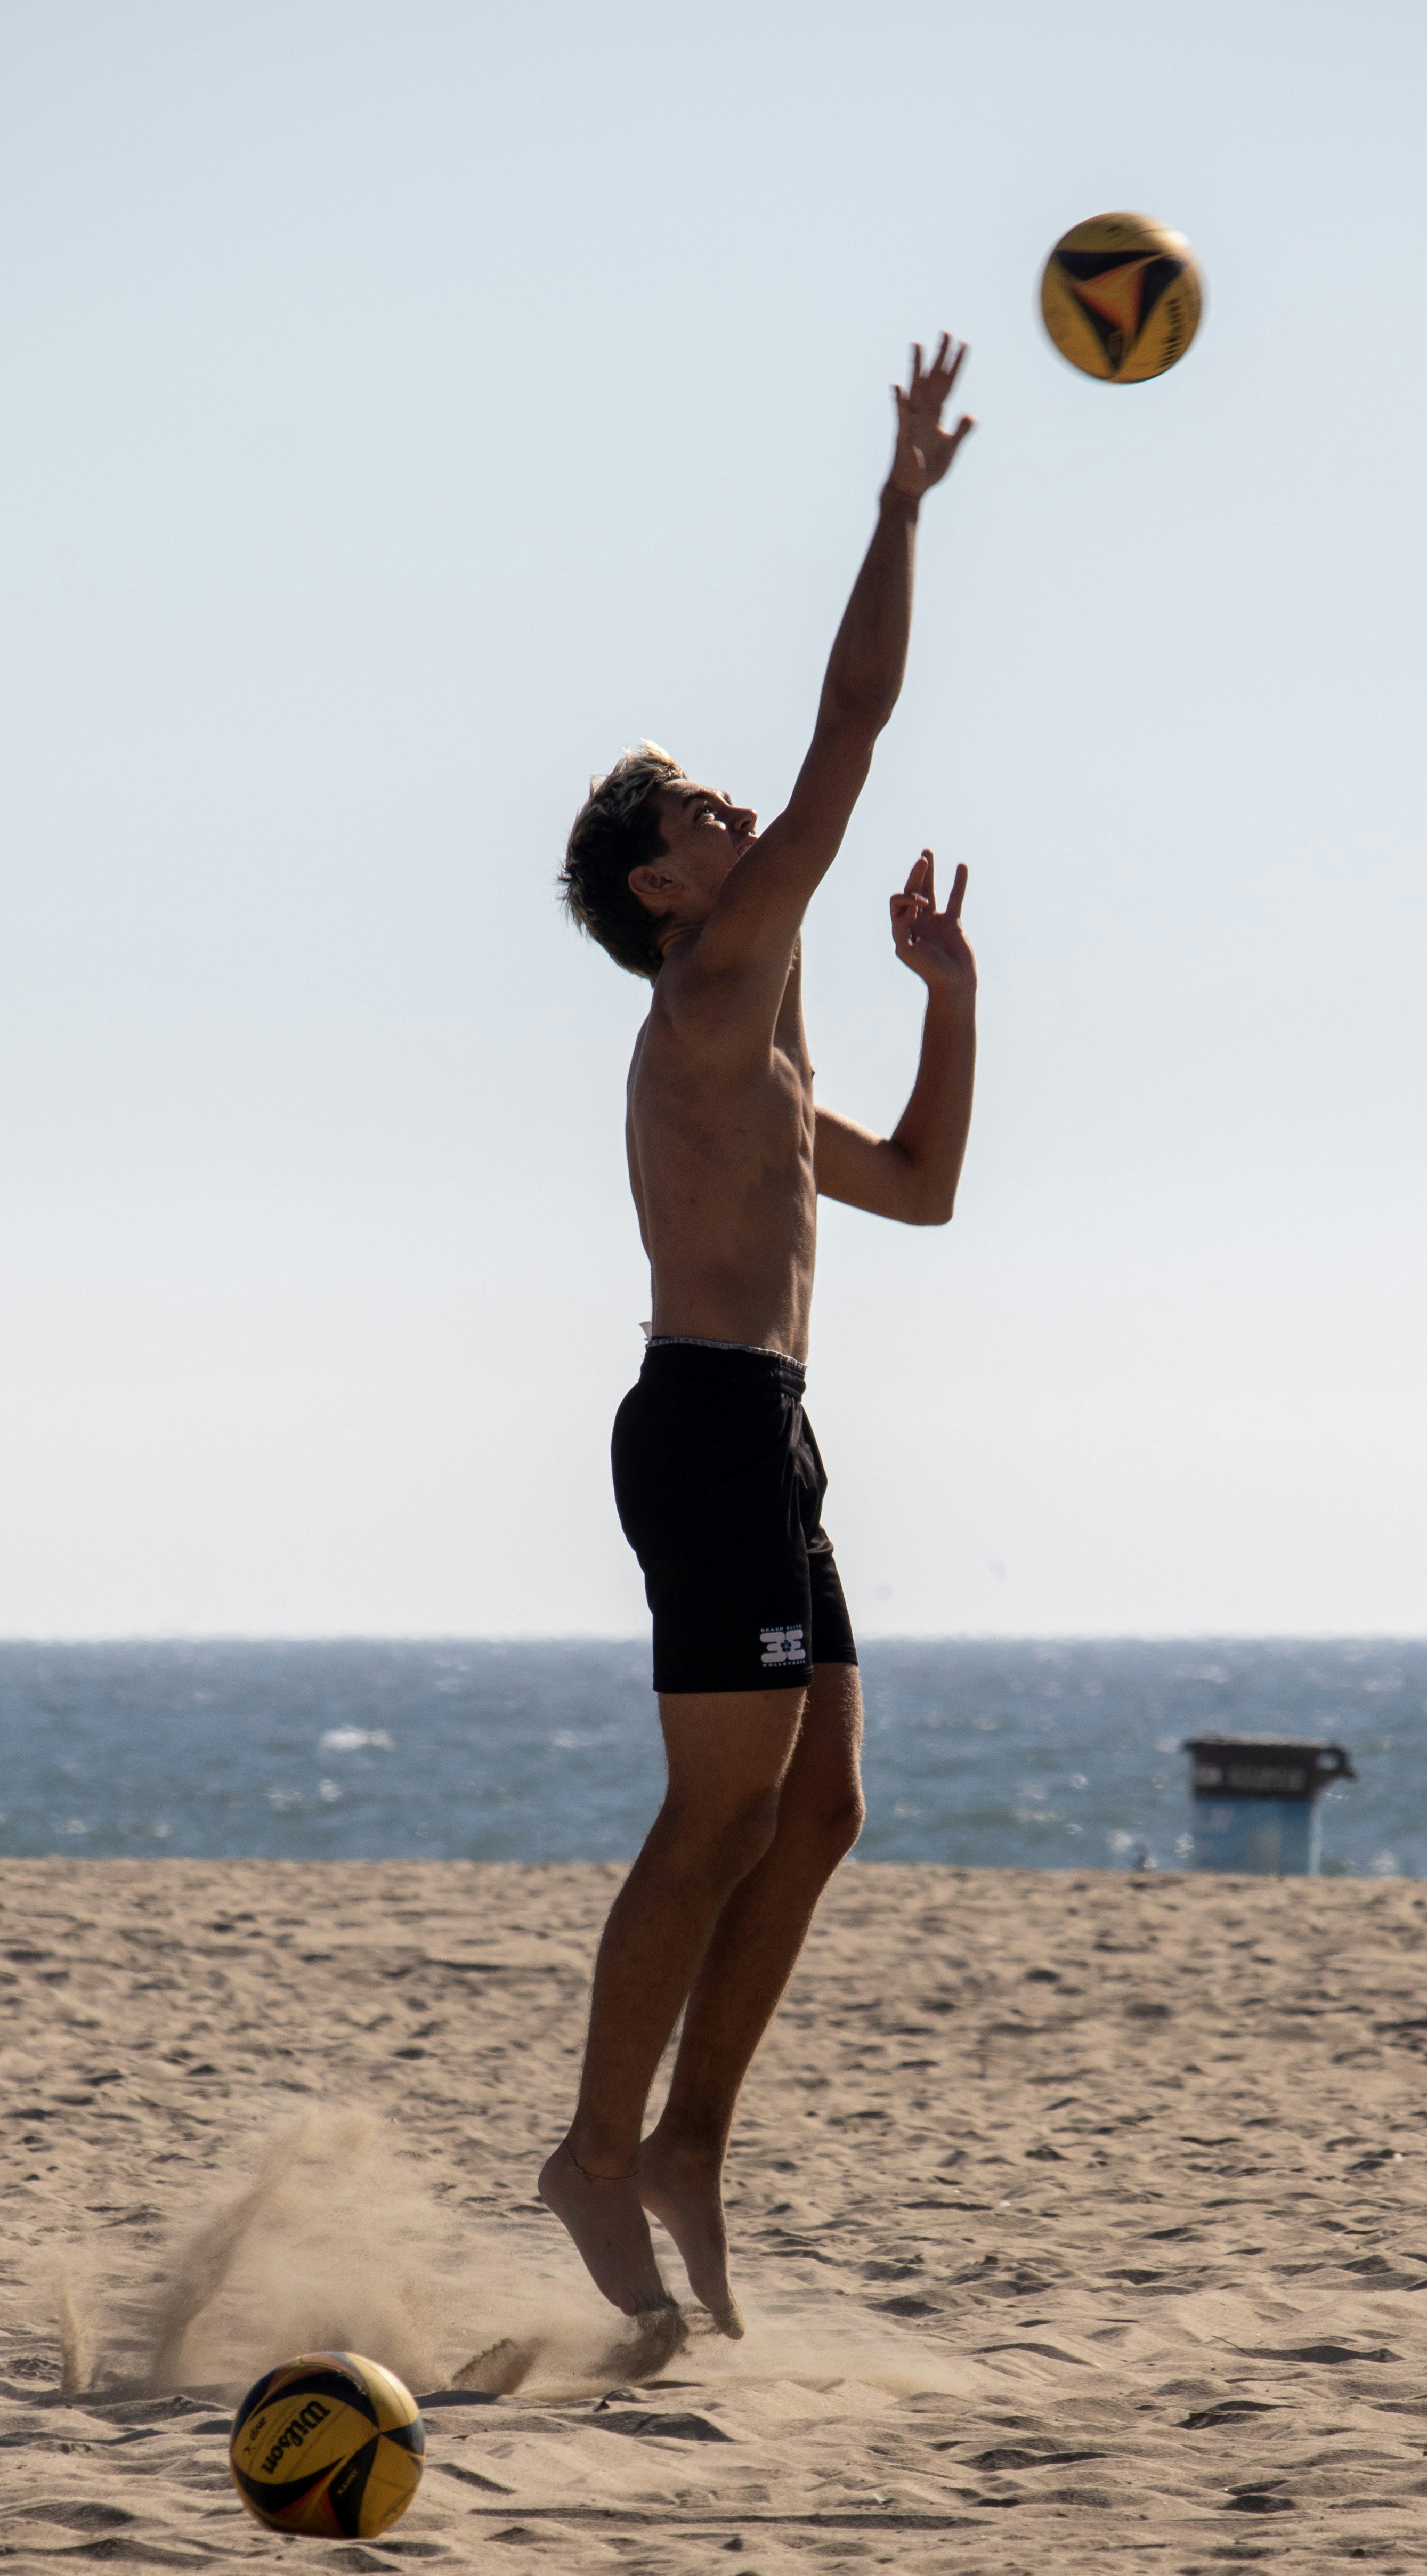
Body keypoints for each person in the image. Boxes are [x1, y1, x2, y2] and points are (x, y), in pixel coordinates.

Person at [544, 337, 978, 2347]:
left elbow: (918, 1185)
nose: (746, 819)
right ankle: (593, 2147)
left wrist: (948, 989)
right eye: (705, 817)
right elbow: (849, 738)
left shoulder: (767, 1034)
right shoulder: (705, 982)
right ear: (663, 886)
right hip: (705, 1430)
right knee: (719, 1809)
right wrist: (895, 509)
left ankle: (694, 2145)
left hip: (771, 1433)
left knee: (820, 1812)